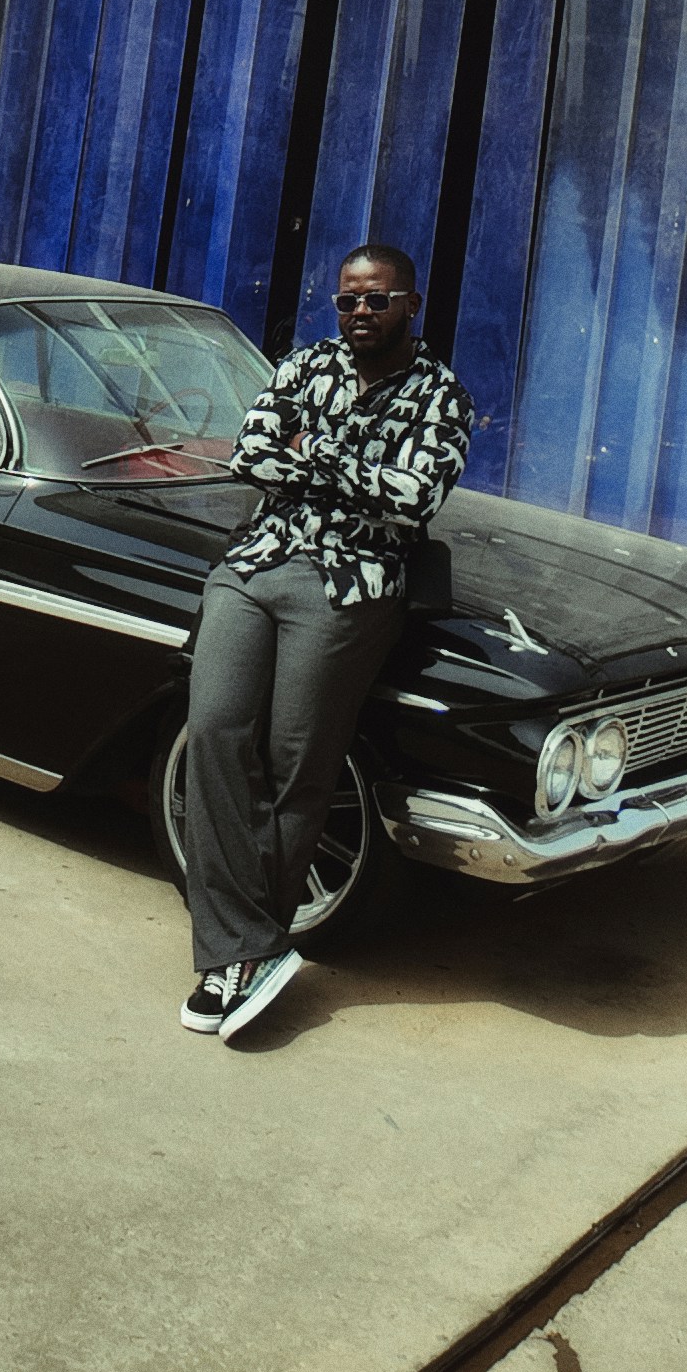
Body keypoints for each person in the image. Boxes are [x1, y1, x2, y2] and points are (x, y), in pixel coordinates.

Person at [180, 242, 474, 1044]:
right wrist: (348, 465)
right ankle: (249, 946)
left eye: (376, 300)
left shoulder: (441, 394)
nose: (359, 314)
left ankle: (235, 958)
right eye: (347, 301)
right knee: (213, 733)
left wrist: (313, 457)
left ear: (411, 304)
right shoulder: (305, 366)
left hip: (351, 585)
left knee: (296, 762)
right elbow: (252, 453)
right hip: (257, 563)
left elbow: (415, 499)